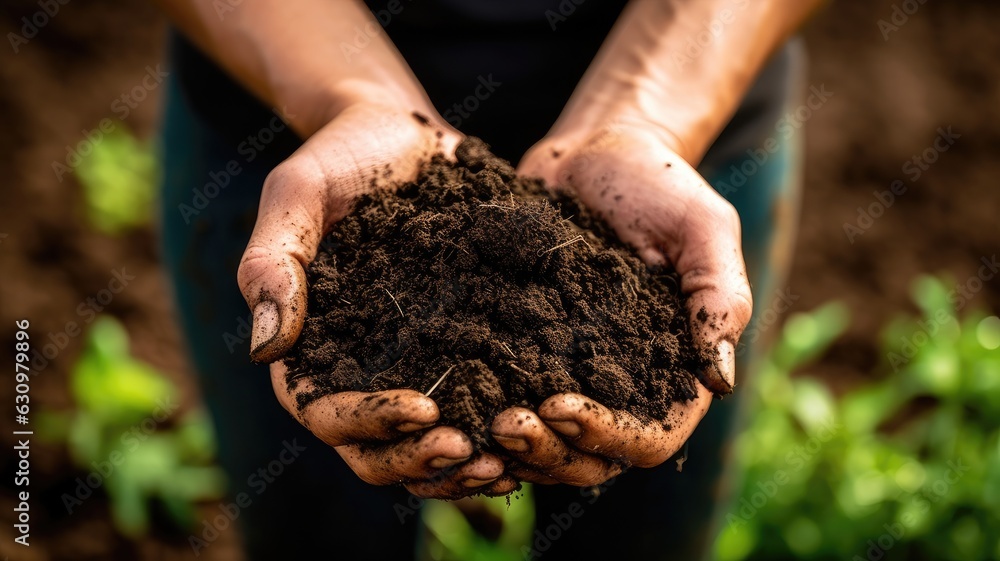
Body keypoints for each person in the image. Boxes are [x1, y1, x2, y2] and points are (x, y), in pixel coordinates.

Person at [156, 1, 822, 558]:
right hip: (292, 139)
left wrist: (647, 114)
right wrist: (349, 96)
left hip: (682, 131)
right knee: (314, 532)